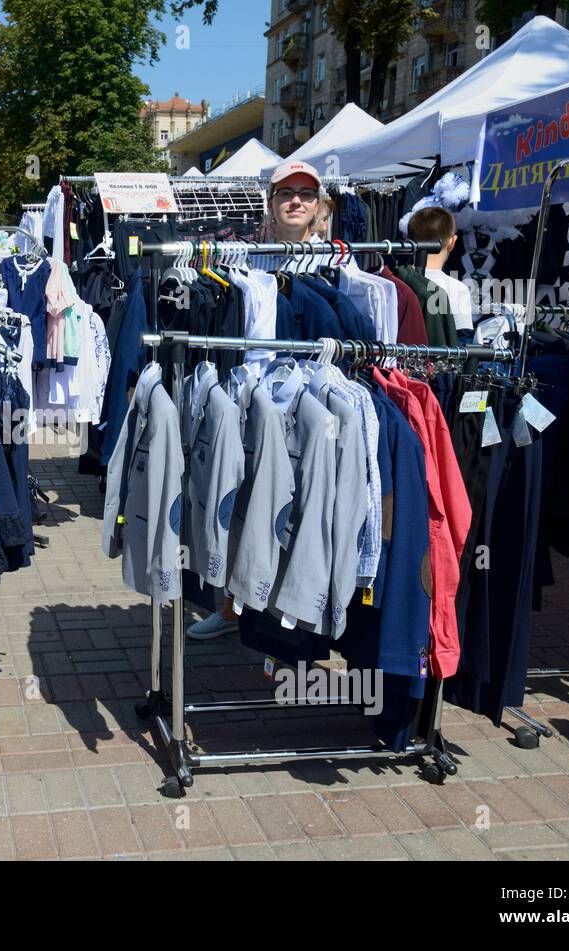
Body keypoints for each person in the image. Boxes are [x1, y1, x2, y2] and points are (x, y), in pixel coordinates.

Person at [185, 160, 332, 642]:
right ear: (270, 203)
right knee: (242, 496)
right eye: (286, 193)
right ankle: (232, 605)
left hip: (310, 400)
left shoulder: (336, 262)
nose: (295, 201)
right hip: (255, 396)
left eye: (305, 194)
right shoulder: (252, 260)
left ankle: (289, 611)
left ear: (318, 205)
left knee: (294, 504)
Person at [407, 205, 473, 336]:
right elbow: (461, 341)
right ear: (452, 242)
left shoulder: (391, 282)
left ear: (409, 240)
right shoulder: (457, 289)